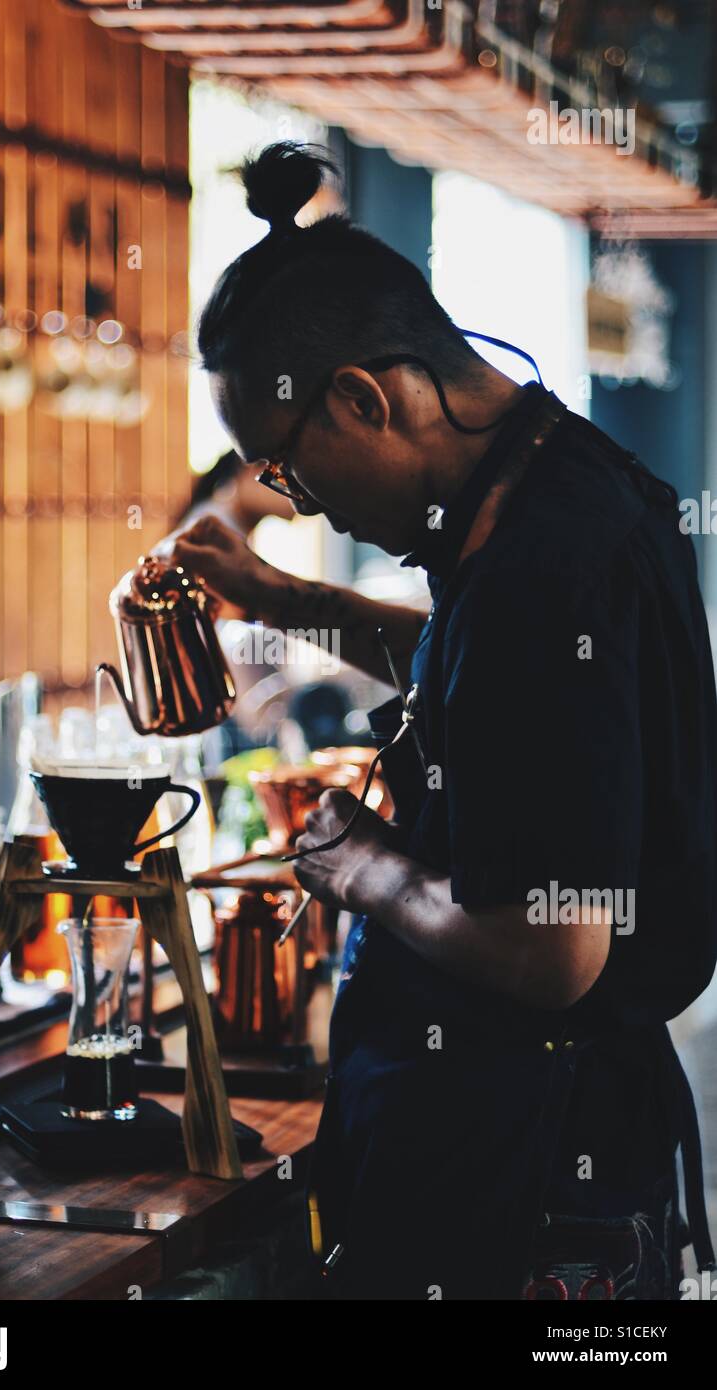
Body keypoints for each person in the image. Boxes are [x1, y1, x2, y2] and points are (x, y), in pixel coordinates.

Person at [169, 142, 717, 1300]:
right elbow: (493, 684)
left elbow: (552, 950)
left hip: (526, 1182)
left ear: (368, 396)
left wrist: (360, 869)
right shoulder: (556, 477)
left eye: (297, 477)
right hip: (546, 1146)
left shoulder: (537, 573)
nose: (311, 506)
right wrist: (284, 598)